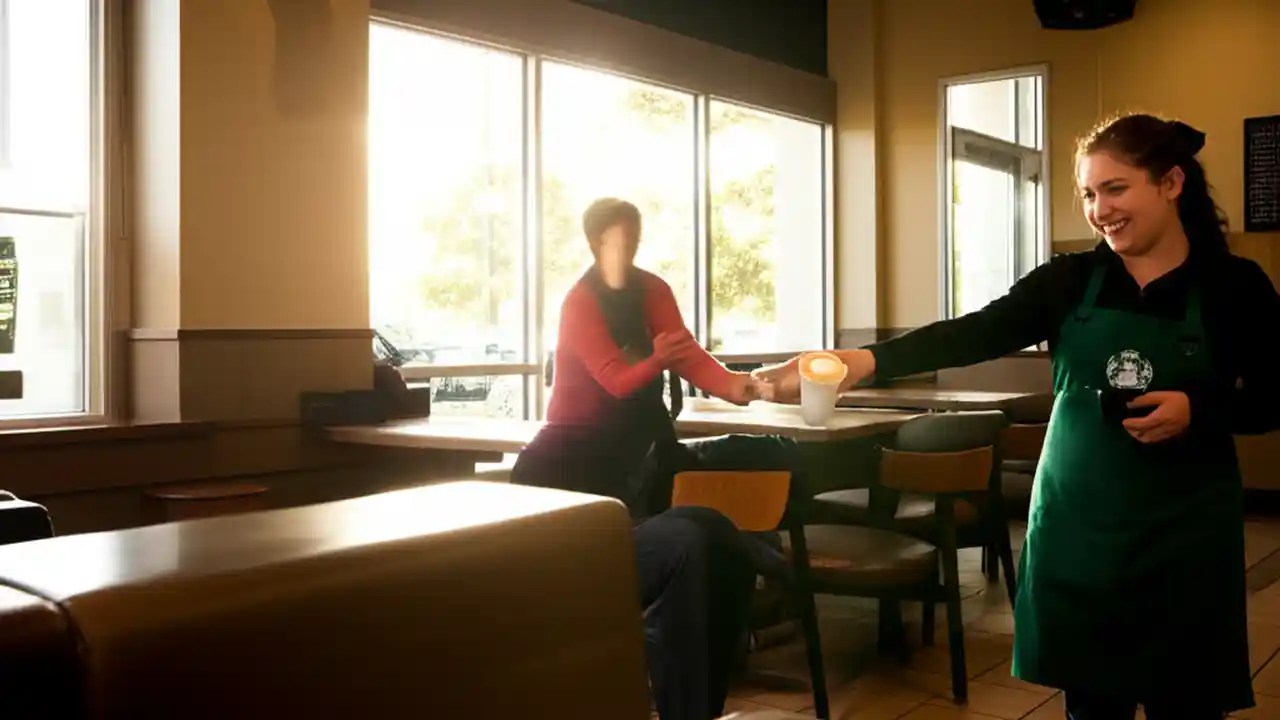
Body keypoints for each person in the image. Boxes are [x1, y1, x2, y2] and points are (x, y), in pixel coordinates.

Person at [754, 114, 1280, 719]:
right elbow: (972, 333)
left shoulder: (1233, 287)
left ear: (1170, 183)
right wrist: (861, 360)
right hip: (1081, 535)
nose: (1099, 208)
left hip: (1184, 538)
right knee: (1091, 704)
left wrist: (1201, 409)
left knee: (1185, 704)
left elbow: (1277, 396)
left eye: (1115, 188)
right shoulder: (1070, 282)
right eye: (1087, 193)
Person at [512, 198, 772, 720]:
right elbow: (615, 377)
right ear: (593, 243)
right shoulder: (580, 303)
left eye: (632, 237)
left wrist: (742, 387)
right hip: (567, 470)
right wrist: (658, 357)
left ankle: (694, 705)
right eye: (614, 239)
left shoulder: (653, 289)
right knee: (686, 544)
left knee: (720, 539)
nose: (624, 247)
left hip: (635, 465)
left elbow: (687, 353)